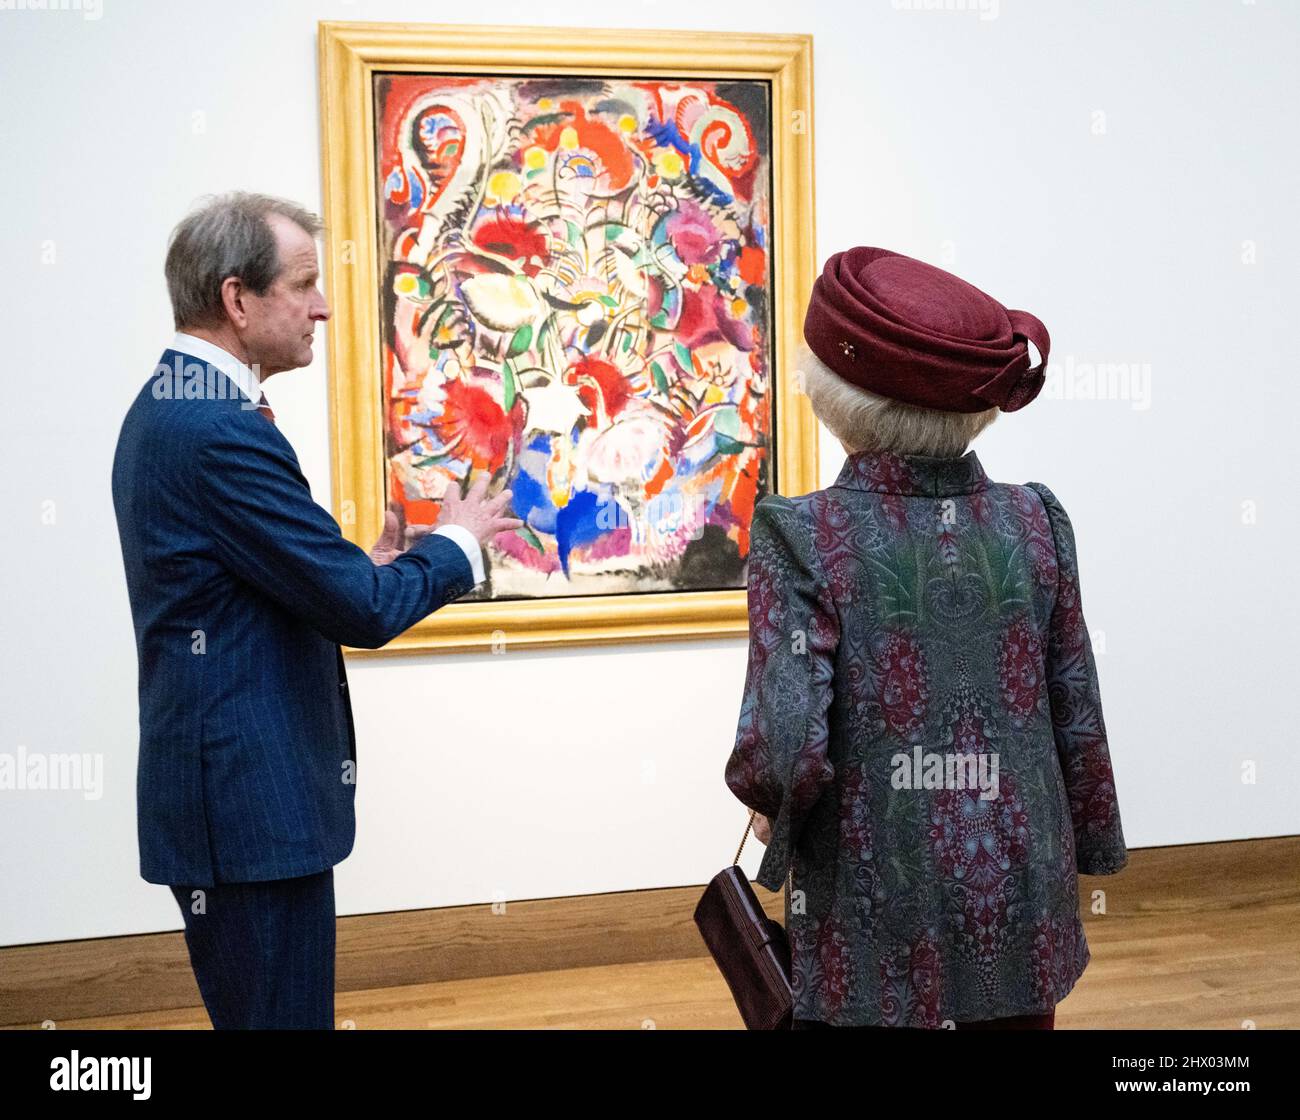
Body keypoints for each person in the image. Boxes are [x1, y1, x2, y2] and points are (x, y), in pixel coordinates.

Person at [111, 191, 522, 1029]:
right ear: (236, 298)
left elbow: (260, 582)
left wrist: (353, 569)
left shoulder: (175, 408)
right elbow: (363, 614)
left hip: (228, 802)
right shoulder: (217, 429)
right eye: (303, 284)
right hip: (248, 810)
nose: (324, 307)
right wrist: (460, 543)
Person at [725, 245, 1127, 1030]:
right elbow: (1075, 707)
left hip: (872, 906)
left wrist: (767, 806)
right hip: (1016, 892)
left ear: (830, 393)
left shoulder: (802, 533)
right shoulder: (1035, 519)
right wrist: (1093, 839)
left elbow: (787, 746)